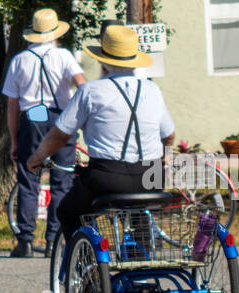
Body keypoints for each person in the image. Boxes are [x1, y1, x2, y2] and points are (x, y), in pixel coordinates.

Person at [27, 23, 175, 244]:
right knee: (138, 212)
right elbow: (169, 135)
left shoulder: (90, 91)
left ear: (103, 61)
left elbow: (61, 135)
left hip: (107, 177)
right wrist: (164, 156)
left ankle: (86, 269)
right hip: (151, 177)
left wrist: (37, 157)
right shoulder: (152, 89)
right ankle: (142, 270)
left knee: (68, 212)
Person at [2, 8, 87, 257]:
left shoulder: (19, 60)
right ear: (54, 33)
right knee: (62, 181)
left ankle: (25, 240)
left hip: (33, 116)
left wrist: (14, 139)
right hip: (60, 117)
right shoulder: (63, 56)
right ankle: (53, 239)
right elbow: (82, 84)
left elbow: (12, 104)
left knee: (29, 180)